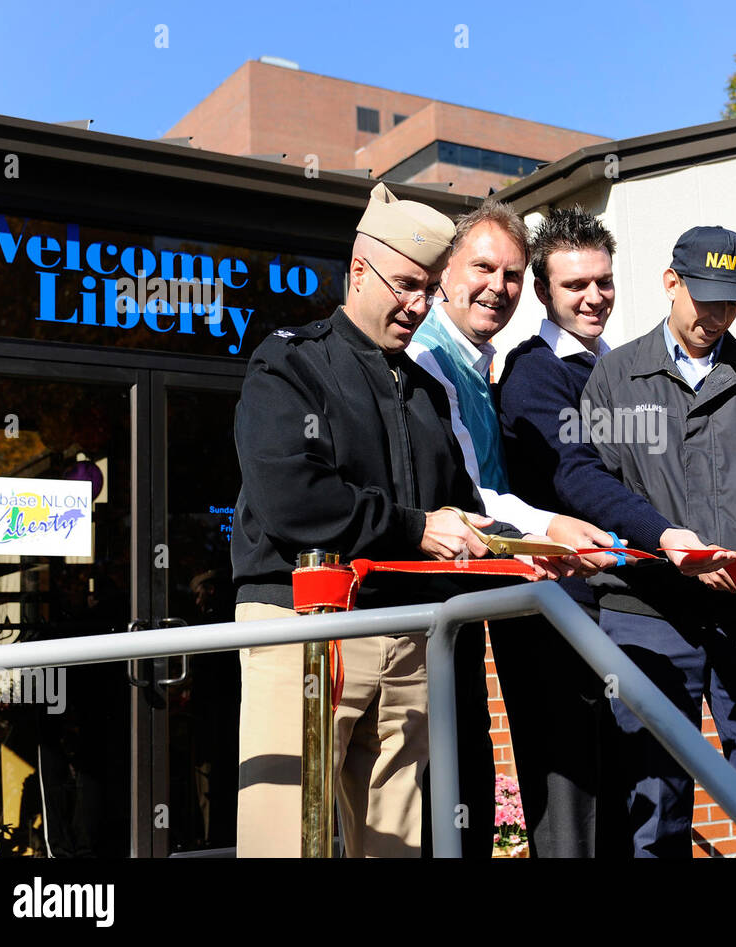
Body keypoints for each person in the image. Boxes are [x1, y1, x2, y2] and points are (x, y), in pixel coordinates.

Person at [231, 184, 551, 857]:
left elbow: (459, 513)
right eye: (406, 284)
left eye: (430, 288)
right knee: (282, 842)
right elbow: (294, 499)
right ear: (357, 270)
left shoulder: (428, 390)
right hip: (304, 631)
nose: (418, 305)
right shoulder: (288, 361)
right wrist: (414, 528)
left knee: (399, 849)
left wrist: (526, 551)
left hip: (406, 641)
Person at [554, 224, 736, 858]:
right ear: (670, 283)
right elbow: (582, 475)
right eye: (706, 298)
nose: (718, 316)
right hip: (646, 616)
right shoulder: (616, 377)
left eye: (731, 302)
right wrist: (662, 538)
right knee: (652, 809)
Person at [407, 199, 615, 856]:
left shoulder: (479, 364)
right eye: (484, 268)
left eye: (512, 274)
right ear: (444, 270)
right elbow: (479, 493)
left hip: (471, 609)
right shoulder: (429, 360)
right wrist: (558, 525)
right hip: (423, 619)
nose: (499, 286)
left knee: (471, 782)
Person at [495, 207, 626, 856]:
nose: (594, 295)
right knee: (570, 813)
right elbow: (576, 478)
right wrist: (670, 532)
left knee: (630, 796)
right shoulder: (533, 372)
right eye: (576, 285)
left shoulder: (624, 370)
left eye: (603, 280)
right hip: (556, 614)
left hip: (623, 607)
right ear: (544, 292)